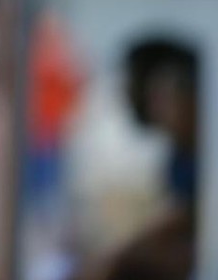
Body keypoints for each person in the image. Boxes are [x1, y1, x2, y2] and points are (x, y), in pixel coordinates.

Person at [75, 36, 198, 280]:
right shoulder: (177, 161)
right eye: (153, 101)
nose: (158, 111)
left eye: (165, 99)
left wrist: (120, 255)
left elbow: (183, 217)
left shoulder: (207, 157)